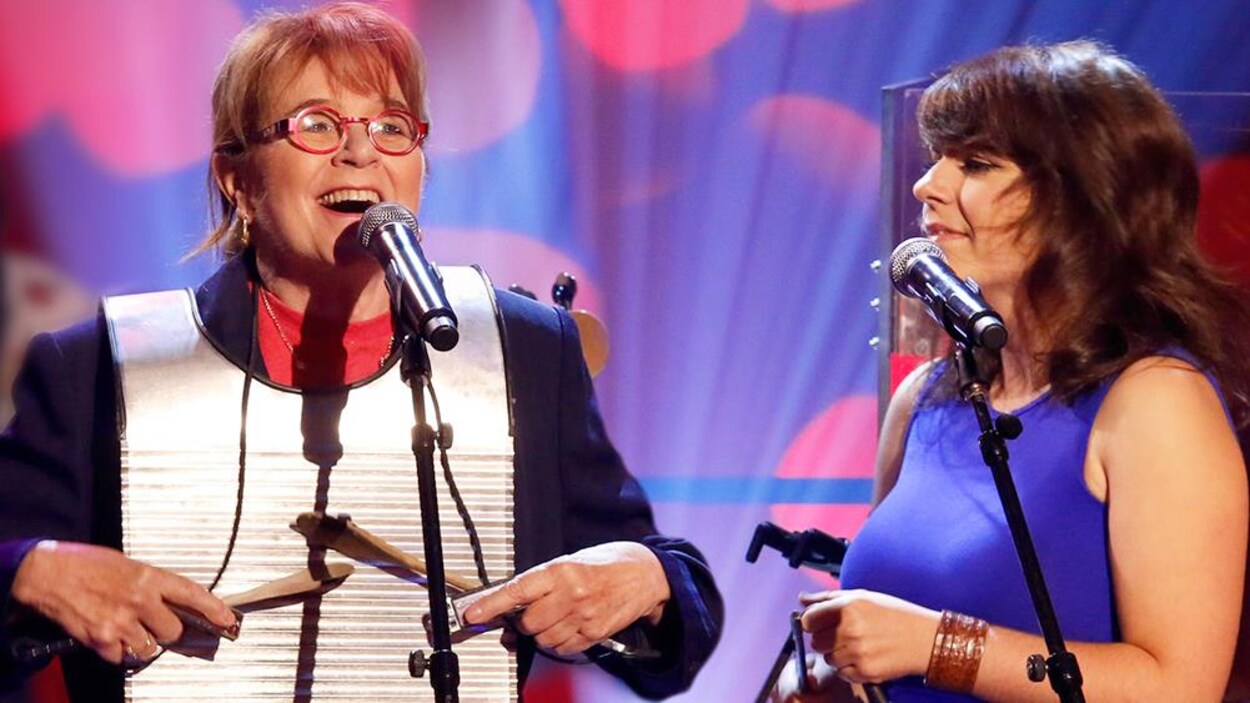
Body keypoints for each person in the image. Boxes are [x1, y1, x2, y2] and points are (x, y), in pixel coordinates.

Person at [0, 3, 721, 701]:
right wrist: (28, 573)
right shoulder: (98, 367)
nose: (360, 150)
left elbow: (671, 597)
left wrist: (647, 579)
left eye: (391, 126)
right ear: (237, 180)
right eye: (317, 124)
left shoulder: (526, 353)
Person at [778, 41, 1250, 702]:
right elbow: (888, 627)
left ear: (1081, 198)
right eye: (938, 157)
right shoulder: (923, 399)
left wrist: (938, 644)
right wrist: (832, 668)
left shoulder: (1157, 403)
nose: (927, 185)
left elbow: (1179, 687)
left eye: (974, 162)